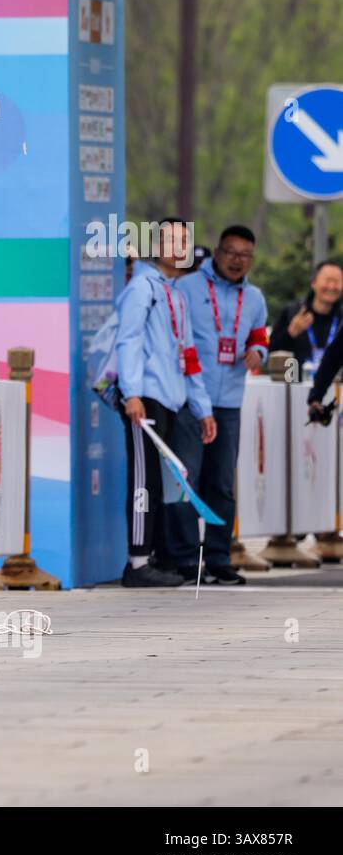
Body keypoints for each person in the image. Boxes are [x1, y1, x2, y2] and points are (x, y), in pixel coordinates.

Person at [161, 225, 268, 585]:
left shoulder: (254, 298)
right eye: (231, 252)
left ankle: (220, 556)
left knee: (222, 484)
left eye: (245, 255)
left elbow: (259, 335)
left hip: (230, 401)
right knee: (185, 479)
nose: (237, 261)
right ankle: (186, 558)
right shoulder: (188, 288)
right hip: (190, 399)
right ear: (217, 253)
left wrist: (258, 353)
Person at [114, 218, 216, 587]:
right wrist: (132, 394)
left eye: (185, 240)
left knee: (160, 483)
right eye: (172, 240)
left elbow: (189, 355)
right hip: (146, 399)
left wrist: (202, 407)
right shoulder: (143, 287)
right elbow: (128, 341)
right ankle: (138, 564)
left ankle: (156, 556)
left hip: (171, 402)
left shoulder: (175, 292)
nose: (179, 247)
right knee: (144, 482)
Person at [269, 260, 343, 372]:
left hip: (335, 386)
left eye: (337, 281)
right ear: (313, 283)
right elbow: (271, 350)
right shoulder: (292, 313)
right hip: (294, 383)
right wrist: (290, 333)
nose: (332, 286)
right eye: (328, 280)